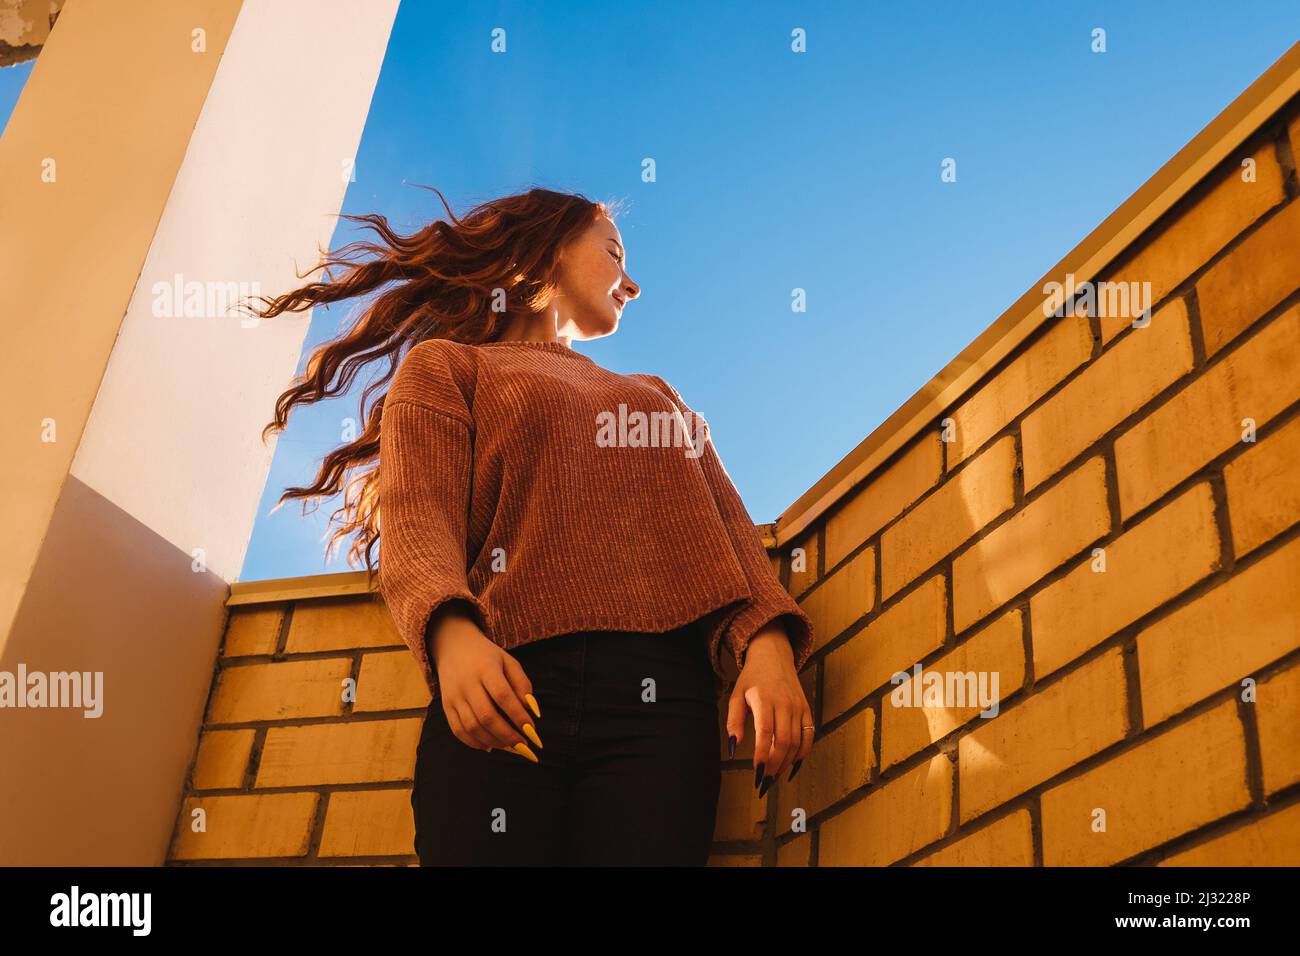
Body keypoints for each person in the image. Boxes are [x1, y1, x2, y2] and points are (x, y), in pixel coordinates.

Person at [251, 186, 815, 865]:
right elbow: (417, 519)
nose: (631, 283)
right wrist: (450, 636)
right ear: (549, 248)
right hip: (504, 690)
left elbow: (727, 539)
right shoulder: (449, 367)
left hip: (662, 705)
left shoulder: (655, 396)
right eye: (613, 253)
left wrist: (769, 648)